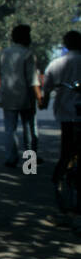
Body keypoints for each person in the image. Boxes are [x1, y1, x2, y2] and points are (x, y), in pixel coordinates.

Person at [40, 30, 81, 193]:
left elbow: (47, 88)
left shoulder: (56, 64)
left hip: (65, 112)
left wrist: (44, 102)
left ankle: (61, 171)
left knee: (67, 144)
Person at [0, 25, 40, 167]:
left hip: (7, 95)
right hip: (25, 98)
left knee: (10, 129)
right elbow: (32, 80)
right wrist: (39, 98)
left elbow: (0, 74)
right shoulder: (28, 54)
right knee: (29, 130)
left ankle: (11, 158)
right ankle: (30, 163)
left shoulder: (4, 53)